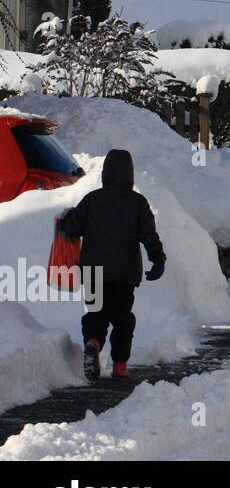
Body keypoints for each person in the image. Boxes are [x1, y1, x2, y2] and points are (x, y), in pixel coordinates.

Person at [60, 148, 165, 381]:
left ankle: (94, 342)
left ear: (106, 172)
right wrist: (158, 260)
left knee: (96, 312)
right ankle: (119, 366)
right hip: (124, 273)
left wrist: (67, 217)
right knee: (122, 318)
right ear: (130, 173)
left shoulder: (93, 199)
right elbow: (149, 234)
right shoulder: (137, 202)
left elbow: (72, 228)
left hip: (94, 272)